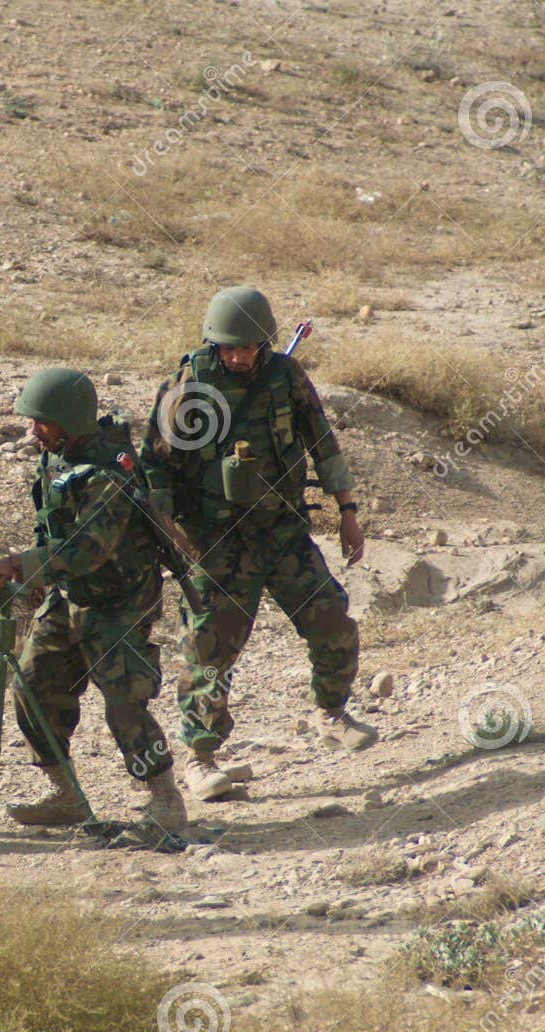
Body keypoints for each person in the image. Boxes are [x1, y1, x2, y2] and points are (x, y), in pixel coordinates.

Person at [139, 286, 377, 803]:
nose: (238, 356)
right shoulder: (187, 388)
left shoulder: (285, 377)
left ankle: (332, 712)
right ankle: (200, 759)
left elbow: (323, 443)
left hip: (282, 531)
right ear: (212, 343)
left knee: (331, 616)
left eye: (248, 347)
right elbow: (153, 466)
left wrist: (349, 512)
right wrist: (170, 533)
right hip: (214, 544)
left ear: (265, 344)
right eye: (229, 347)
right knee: (209, 652)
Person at [0, 368, 186, 833]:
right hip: (69, 594)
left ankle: (165, 797)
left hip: (119, 601)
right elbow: (50, 526)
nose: (33, 430)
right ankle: (65, 794)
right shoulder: (58, 457)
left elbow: (86, 551)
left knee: (123, 700)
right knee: (32, 685)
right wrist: (33, 579)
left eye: (43, 422)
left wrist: (18, 564)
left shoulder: (107, 475)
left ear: (70, 422)